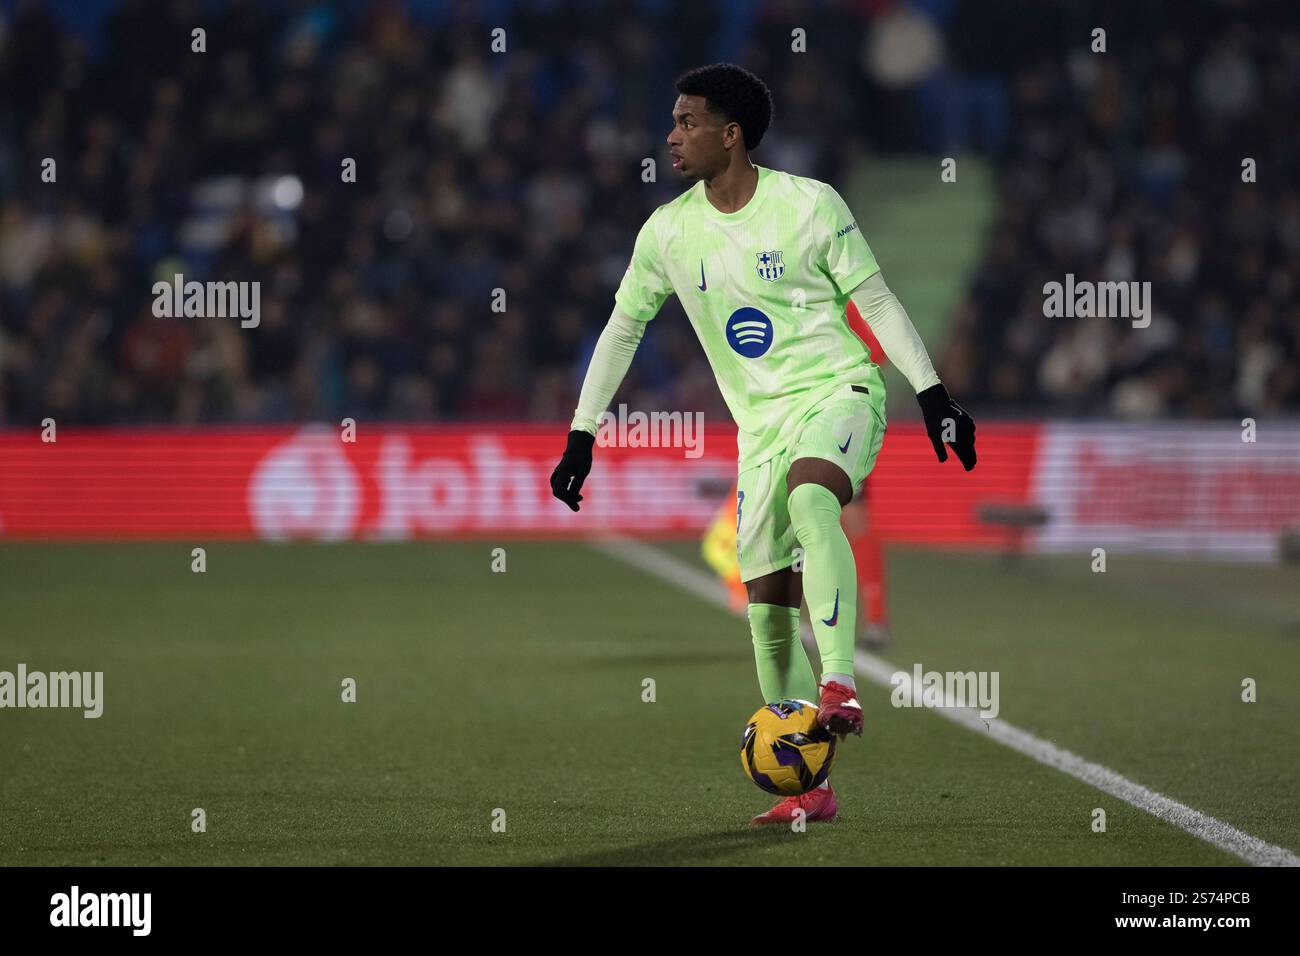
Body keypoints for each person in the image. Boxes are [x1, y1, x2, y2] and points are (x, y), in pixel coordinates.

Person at [549, 63, 976, 825]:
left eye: (686, 122)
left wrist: (936, 396)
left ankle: (840, 683)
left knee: (815, 495)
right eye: (674, 122)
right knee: (768, 607)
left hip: (841, 390)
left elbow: (874, 299)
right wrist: (583, 433)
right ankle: (807, 783)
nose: (672, 136)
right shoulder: (668, 231)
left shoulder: (810, 206)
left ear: (730, 133)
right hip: (761, 430)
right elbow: (623, 329)